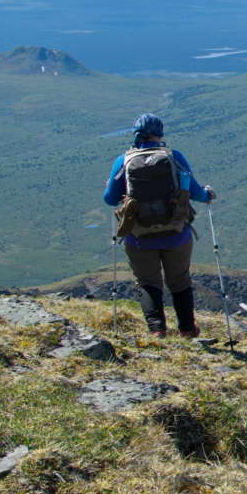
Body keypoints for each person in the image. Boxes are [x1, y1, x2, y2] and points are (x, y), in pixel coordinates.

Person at [103, 114, 216, 337]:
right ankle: (186, 330)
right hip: (176, 234)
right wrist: (208, 194)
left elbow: (109, 199)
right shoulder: (174, 157)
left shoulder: (123, 161)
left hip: (139, 236)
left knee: (147, 282)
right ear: (160, 134)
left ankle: (157, 330)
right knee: (179, 280)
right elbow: (194, 192)